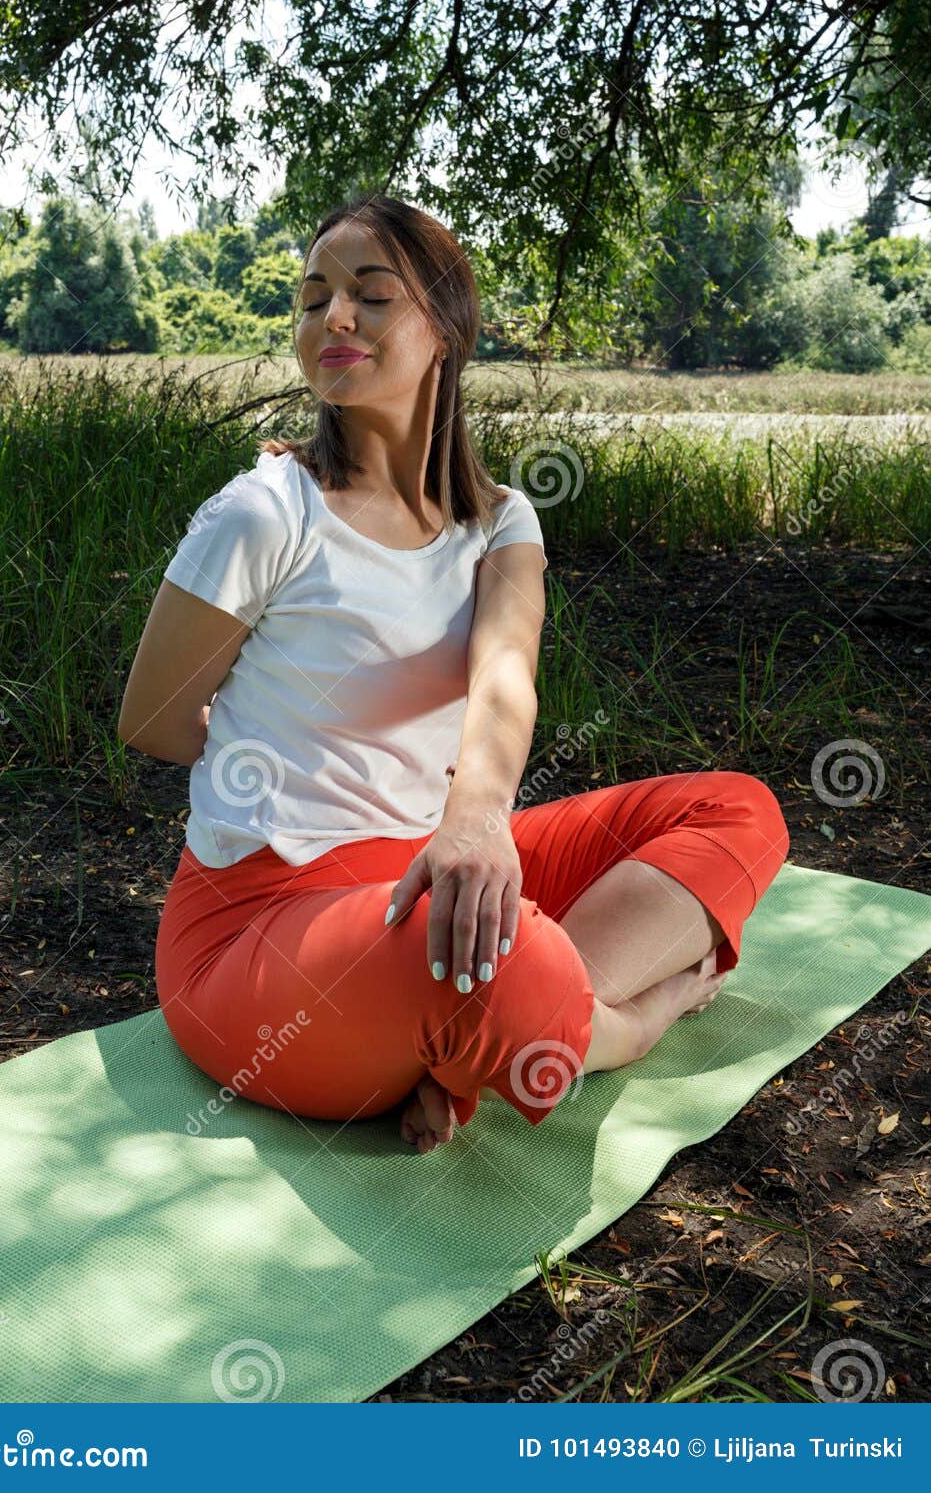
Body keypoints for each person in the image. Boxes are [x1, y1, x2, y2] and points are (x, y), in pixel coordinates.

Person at [119, 194, 790, 1154]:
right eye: (311, 299)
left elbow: (505, 676)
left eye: (370, 295)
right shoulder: (263, 513)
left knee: (736, 810)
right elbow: (154, 718)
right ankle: (616, 1025)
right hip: (262, 925)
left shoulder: (500, 520)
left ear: (445, 328)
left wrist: (474, 821)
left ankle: (482, 1031)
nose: (333, 317)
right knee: (509, 957)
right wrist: (274, 756)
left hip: (439, 861)